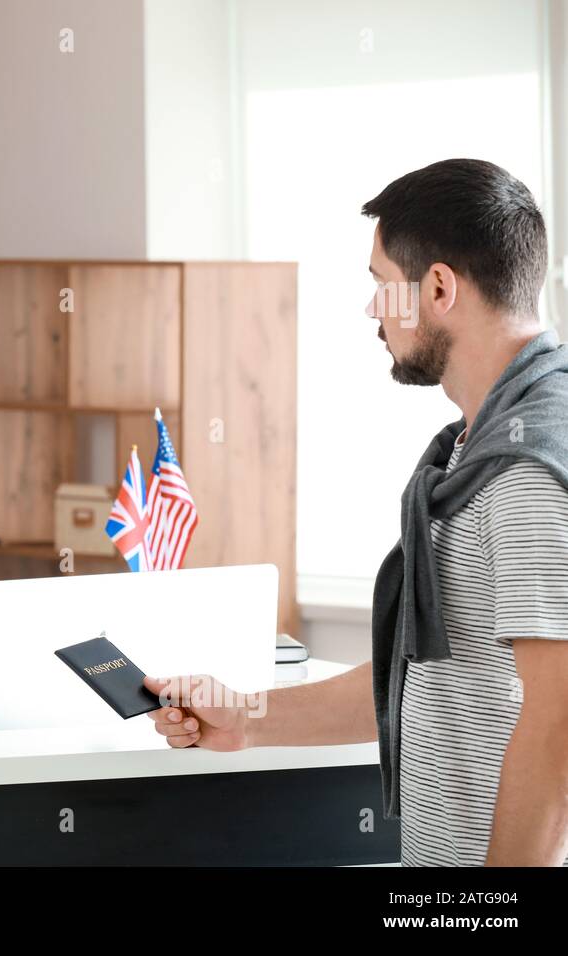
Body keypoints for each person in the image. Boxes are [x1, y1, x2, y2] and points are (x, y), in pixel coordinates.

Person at [146, 159, 568, 867]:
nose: (371, 309)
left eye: (380, 284)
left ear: (437, 288)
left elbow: (559, 724)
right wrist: (245, 716)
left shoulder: (528, 472)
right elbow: (423, 677)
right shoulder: (474, 452)